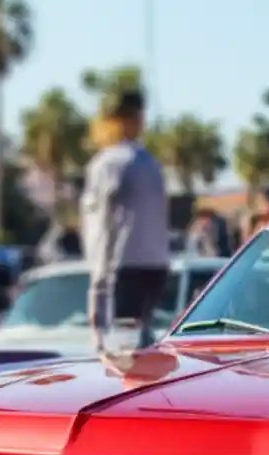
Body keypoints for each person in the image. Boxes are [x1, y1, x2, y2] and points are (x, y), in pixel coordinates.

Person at [81, 89, 170, 350]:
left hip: (122, 267)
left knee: (120, 353)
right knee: (141, 345)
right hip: (155, 265)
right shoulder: (151, 164)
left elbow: (100, 228)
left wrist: (98, 285)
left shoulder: (107, 164)